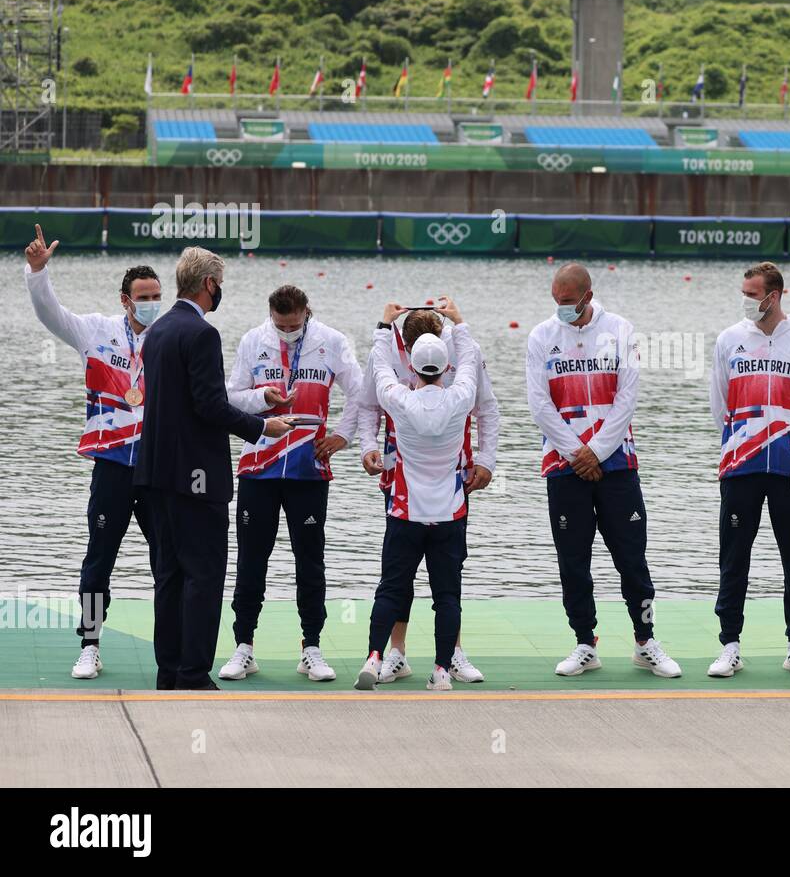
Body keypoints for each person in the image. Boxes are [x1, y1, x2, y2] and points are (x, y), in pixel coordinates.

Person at [133, 247, 291, 690]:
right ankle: (194, 672)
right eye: (219, 283)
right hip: (196, 478)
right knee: (202, 576)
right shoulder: (202, 334)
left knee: (169, 576)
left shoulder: (158, 329)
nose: (220, 291)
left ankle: (169, 671)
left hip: (156, 474)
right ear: (208, 284)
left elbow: (184, 401)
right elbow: (208, 405)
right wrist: (262, 427)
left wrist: (257, 405)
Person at [525, 263, 680, 678]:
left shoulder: (620, 330)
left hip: (618, 463)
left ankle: (645, 641)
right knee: (573, 561)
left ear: (588, 296)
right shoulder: (542, 336)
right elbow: (539, 404)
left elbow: (627, 398)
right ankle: (583, 643)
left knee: (632, 558)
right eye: (555, 302)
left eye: (567, 302)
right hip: (563, 464)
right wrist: (577, 452)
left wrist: (596, 451)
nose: (560, 309)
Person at [24, 224, 163, 679]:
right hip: (112, 465)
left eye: (156, 294)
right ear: (125, 299)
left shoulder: (171, 337)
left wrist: (258, 403)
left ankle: (174, 645)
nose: (151, 303)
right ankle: (89, 644)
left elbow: (209, 393)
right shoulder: (95, 332)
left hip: (157, 467)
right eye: (143, 295)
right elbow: (51, 315)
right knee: (100, 555)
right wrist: (38, 273)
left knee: (168, 557)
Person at [217, 285, 365, 682]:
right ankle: (243, 647)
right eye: (281, 326)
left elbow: (362, 393)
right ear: (271, 316)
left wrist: (343, 437)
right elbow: (229, 398)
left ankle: (311, 648)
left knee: (310, 561)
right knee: (251, 561)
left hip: (308, 469)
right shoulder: (253, 340)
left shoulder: (332, 341)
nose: (287, 332)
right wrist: (262, 397)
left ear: (306, 314)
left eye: (294, 325)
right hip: (258, 468)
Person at [356, 304, 499, 684]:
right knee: (446, 588)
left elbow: (489, 408)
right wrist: (461, 318)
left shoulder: (400, 393)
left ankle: (389, 656)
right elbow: (366, 404)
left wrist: (382, 325)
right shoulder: (458, 390)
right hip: (446, 501)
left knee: (394, 580)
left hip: (409, 500)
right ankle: (416, 660)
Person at [708, 261, 790, 678]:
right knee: (734, 557)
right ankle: (729, 646)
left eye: (752, 294)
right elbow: (719, 407)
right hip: (740, 465)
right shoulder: (728, 340)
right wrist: (747, 441)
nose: (746, 301)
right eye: (743, 293)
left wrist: (788, 444)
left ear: (773, 296)